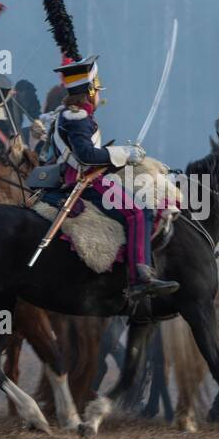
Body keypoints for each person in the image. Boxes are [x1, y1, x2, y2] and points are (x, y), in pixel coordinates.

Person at [49, 56, 177, 299]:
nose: (98, 95)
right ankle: (139, 277)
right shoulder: (78, 118)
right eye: (96, 90)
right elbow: (86, 155)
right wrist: (124, 153)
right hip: (85, 182)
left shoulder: (68, 114)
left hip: (80, 177)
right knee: (140, 212)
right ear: (89, 91)